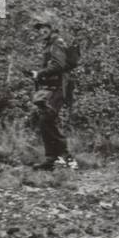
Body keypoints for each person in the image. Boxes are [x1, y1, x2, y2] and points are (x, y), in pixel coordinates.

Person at [29, 10, 76, 171]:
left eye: (44, 27)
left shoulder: (57, 43)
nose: (41, 31)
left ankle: (67, 159)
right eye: (39, 28)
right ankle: (51, 159)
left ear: (51, 28)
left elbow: (58, 65)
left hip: (59, 88)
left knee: (47, 120)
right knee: (45, 121)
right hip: (51, 87)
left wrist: (40, 73)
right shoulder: (49, 44)